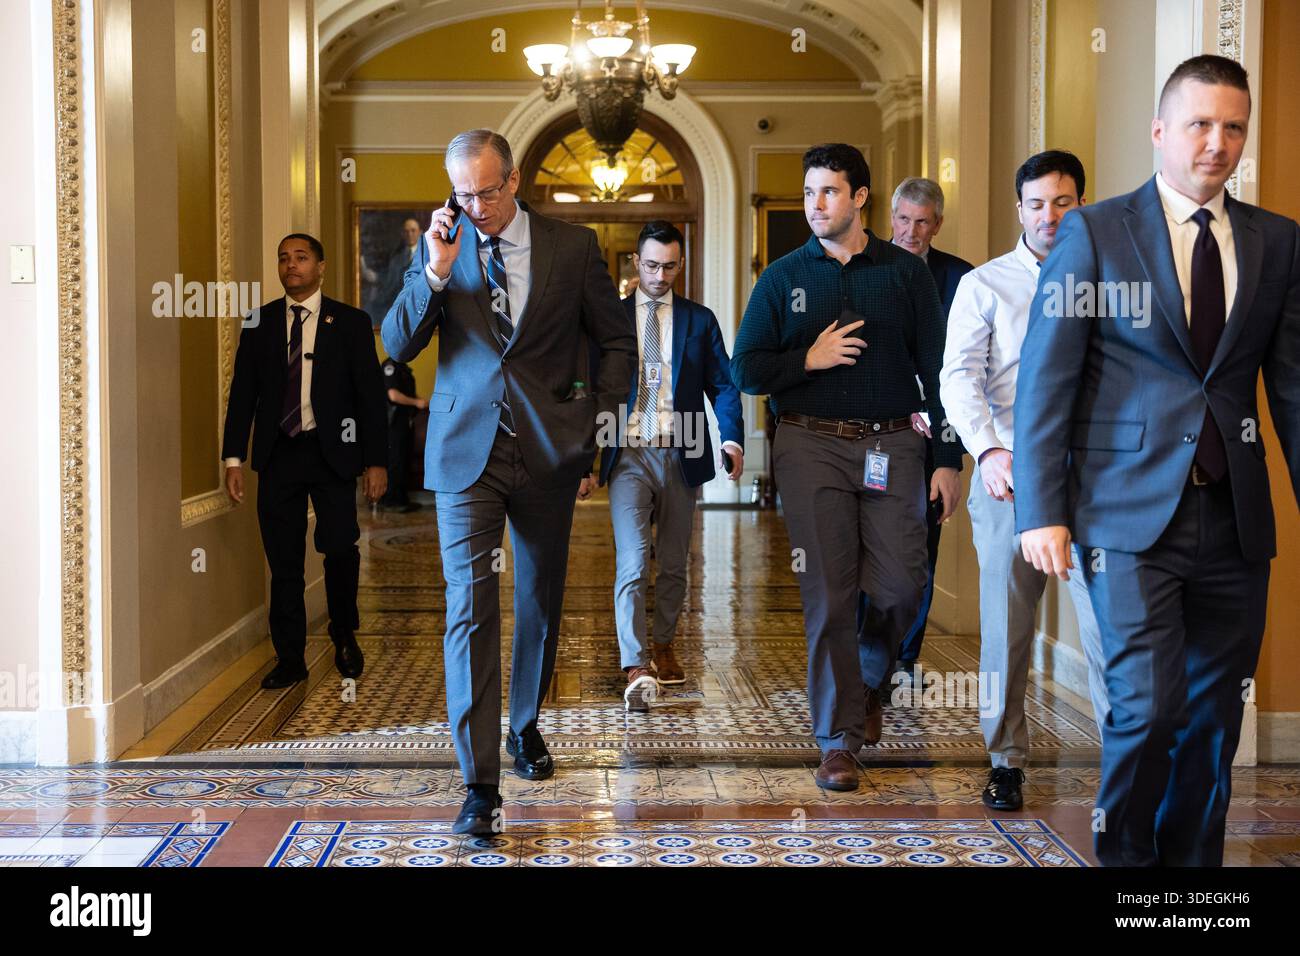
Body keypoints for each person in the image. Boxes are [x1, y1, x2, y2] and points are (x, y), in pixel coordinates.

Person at [1014, 55, 1300, 866]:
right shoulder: (1097, 233)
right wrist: (1042, 509)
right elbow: (1047, 378)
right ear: (1160, 132)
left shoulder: (1277, 243)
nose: (1217, 143)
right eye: (1200, 124)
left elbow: (1293, 391)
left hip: (1236, 520)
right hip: (1126, 519)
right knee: (1147, 705)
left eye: (1233, 125)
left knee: (1214, 715)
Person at [382, 129, 637, 836]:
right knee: (469, 607)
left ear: (515, 179)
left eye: (487, 192)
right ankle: (479, 784)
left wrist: (598, 426)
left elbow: (617, 341)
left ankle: (524, 723)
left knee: (539, 597)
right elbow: (397, 342)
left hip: (551, 450)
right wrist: (433, 271)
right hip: (466, 452)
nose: (475, 206)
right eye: (462, 194)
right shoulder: (441, 245)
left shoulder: (572, 247)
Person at [731, 143, 963, 793]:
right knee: (829, 594)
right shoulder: (781, 278)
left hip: (893, 446)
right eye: (809, 193)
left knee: (900, 585)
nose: (815, 205)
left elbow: (941, 372)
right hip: (811, 445)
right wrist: (809, 358)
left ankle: (867, 683)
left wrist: (948, 459)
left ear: (861, 198)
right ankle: (837, 740)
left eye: (829, 192)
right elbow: (744, 368)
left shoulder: (904, 275)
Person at [939, 150, 1108, 812]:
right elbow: (959, 377)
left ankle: (1125, 759)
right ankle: (1005, 757)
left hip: (1093, 481)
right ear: (1019, 211)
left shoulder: (1108, 285)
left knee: (1108, 623)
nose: (1049, 216)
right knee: (1007, 625)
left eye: (1063, 202)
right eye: (1037, 204)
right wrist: (987, 452)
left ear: (1081, 206)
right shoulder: (984, 285)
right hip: (1010, 477)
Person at [580, 220, 745, 711]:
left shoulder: (700, 320)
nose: (660, 275)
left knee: (674, 564)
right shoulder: (608, 317)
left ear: (681, 263)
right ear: (636, 261)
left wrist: (733, 440)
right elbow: (585, 387)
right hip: (626, 451)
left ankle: (665, 642)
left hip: (682, 449)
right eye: (651, 264)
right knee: (632, 561)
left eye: (670, 266)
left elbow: (725, 385)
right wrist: (583, 461)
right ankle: (634, 661)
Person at [222, 233, 388, 689]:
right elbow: (242, 396)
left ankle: (344, 632)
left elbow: (370, 397)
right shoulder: (259, 322)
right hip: (278, 456)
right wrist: (234, 457)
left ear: (320, 266)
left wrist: (376, 461)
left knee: (339, 548)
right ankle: (290, 657)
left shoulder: (351, 323)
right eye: (283, 258)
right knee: (284, 562)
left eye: (300, 257)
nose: (290, 265)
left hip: (332, 452)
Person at [887, 177, 975, 672]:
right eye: (904, 219)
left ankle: (904, 660)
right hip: (875, 433)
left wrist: (950, 456)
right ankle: (867, 656)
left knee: (922, 551)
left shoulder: (963, 281)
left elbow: (965, 376)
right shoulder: (864, 267)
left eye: (923, 222)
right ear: (891, 218)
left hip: (934, 438)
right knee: (870, 550)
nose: (912, 231)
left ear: (937, 225)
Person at [378, 355, 427, 512]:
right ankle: (391, 501)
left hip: (406, 420)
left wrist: (422, 401)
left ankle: (401, 499)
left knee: (404, 459)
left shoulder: (403, 367)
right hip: (393, 422)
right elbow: (393, 395)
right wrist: (416, 402)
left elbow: (409, 394)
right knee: (396, 460)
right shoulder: (390, 366)